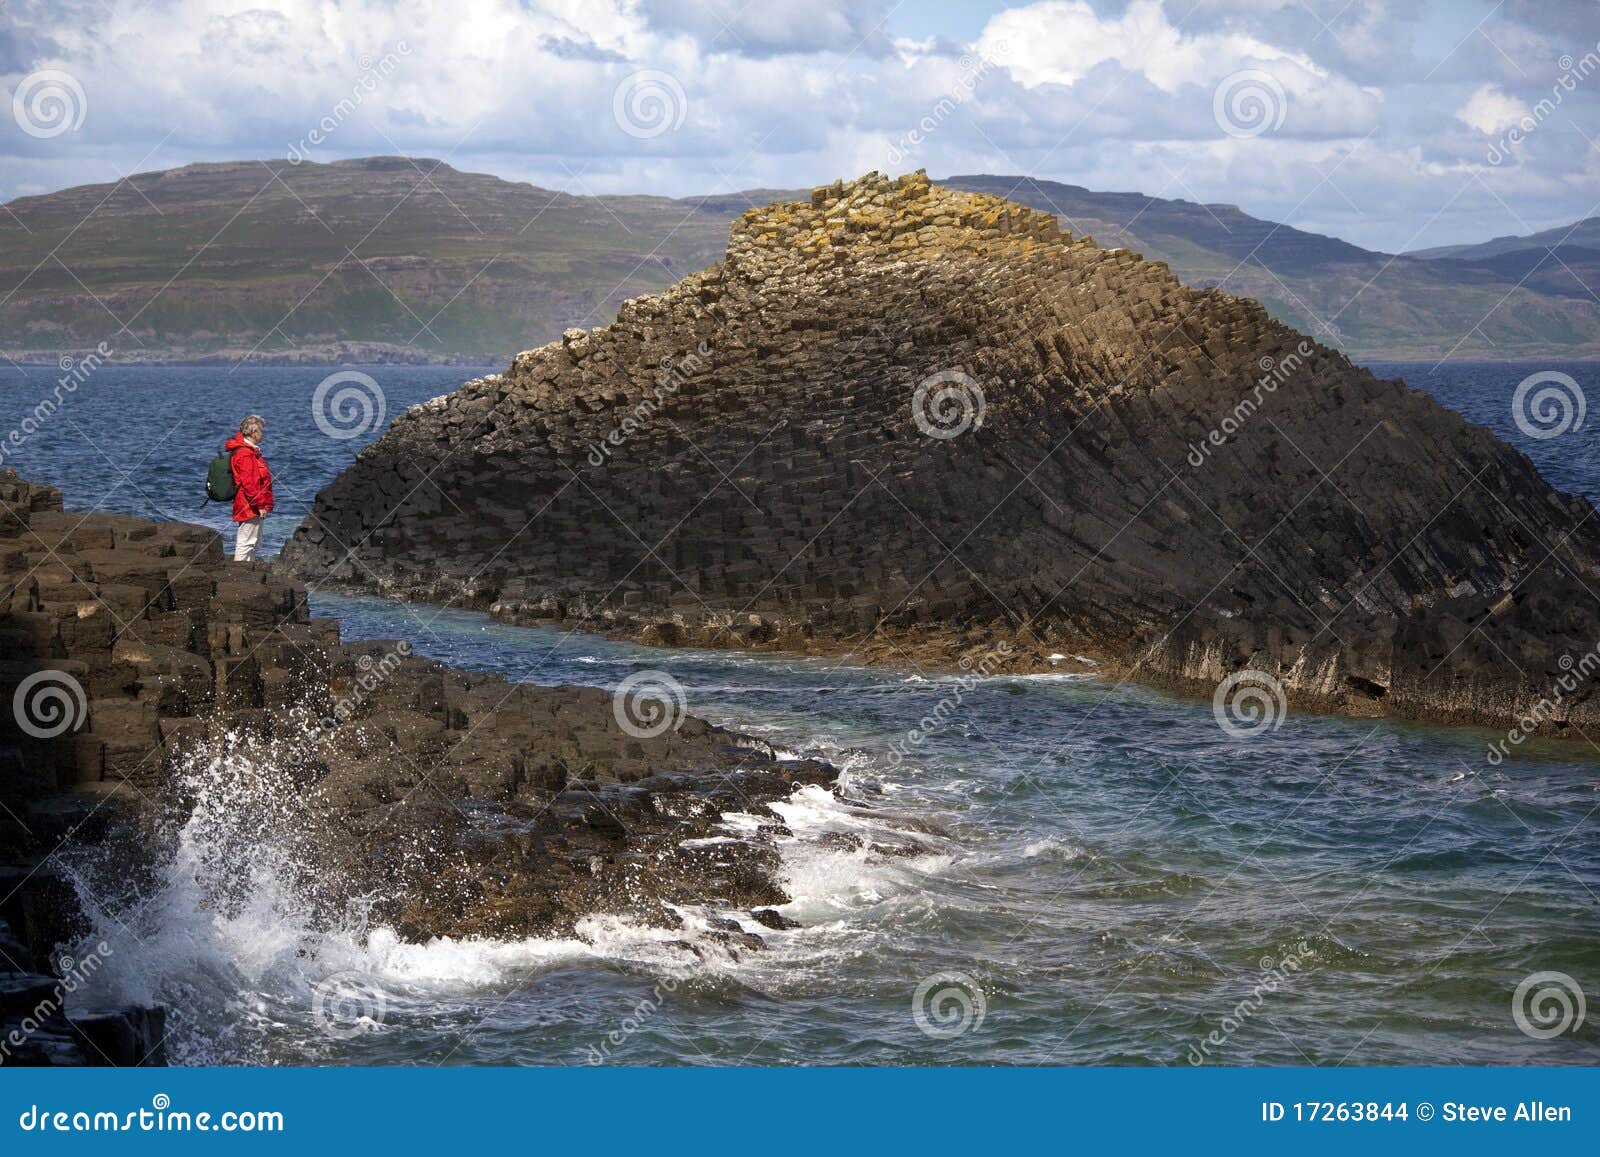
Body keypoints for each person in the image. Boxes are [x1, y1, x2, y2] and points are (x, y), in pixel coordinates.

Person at [226, 414, 273, 561]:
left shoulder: (250, 451)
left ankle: (246, 572)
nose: (263, 434)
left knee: (253, 542)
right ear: (254, 432)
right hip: (248, 505)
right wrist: (260, 505)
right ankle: (238, 573)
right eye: (261, 431)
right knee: (246, 542)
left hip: (251, 504)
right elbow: (250, 484)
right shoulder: (245, 454)